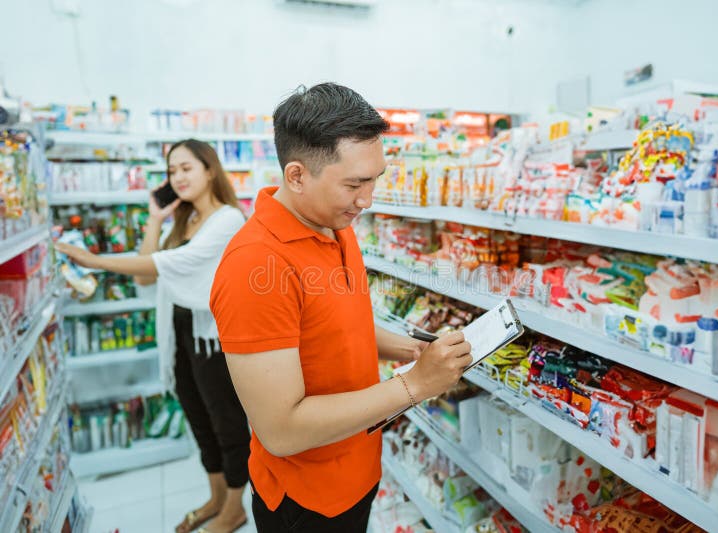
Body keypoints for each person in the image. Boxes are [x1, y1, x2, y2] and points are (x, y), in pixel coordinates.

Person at [209, 82, 472, 533]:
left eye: (375, 179)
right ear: (296, 176)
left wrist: (412, 352)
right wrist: (416, 384)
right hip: (306, 500)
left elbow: (340, 327)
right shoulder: (255, 265)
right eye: (355, 183)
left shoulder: (334, 223)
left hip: (356, 467)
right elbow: (282, 430)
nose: (368, 200)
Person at [56, 139, 251, 533]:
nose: (177, 177)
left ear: (210, 170)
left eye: (186, 168)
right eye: (171, 171)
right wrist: (154, 219)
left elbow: (178, 263)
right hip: (178, 332)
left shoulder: (228, 218)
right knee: (198, 419)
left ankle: (234, 507)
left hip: (211, 338)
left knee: (226, 423)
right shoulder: (185, 220)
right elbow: (148, 273)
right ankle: (215, 496)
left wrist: (95, 261)